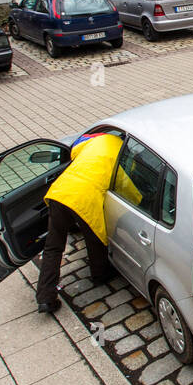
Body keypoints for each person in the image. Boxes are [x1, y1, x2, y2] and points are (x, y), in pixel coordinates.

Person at [35, 132, 130, 312]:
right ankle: (99, 275)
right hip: (84, 201)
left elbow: (73, 151)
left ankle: (45, 298)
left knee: (53, 248)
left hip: (60, 193)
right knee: (95, 239)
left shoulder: (98, 140)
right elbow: (125, 183)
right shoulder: (122, 155)